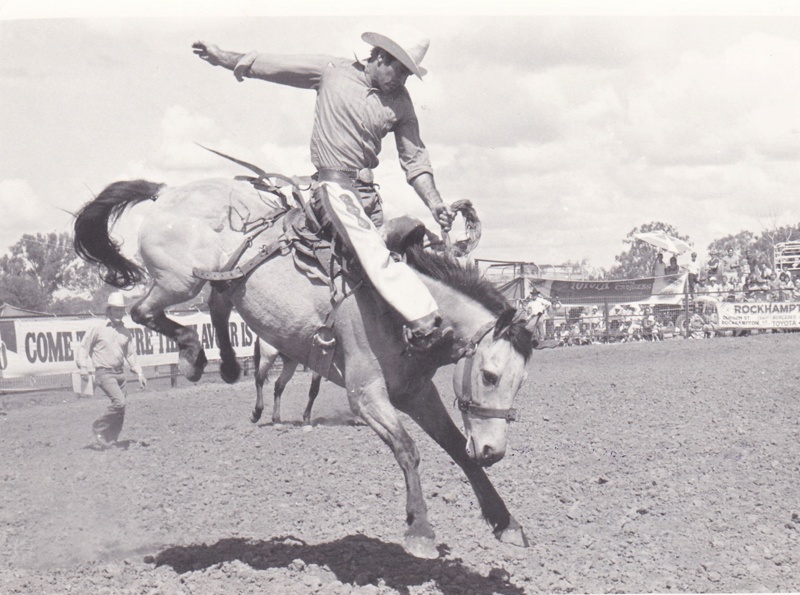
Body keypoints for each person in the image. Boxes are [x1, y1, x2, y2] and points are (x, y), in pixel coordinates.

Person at [191, 28, 456, 351]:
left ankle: (377, 345)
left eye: (408, 75)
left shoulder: (401, 102)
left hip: (368, 197)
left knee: (397, 247)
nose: (402, 80)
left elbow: (414, 159)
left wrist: (435, 204)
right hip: (333, 186)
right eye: (400, 71)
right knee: (370, 249)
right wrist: (223, 58)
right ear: (382, 57)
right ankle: (425, 321)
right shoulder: (332, 71)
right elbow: (271, 64)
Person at [76, 292, 146, 449]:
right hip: (104, 372)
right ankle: (99, 427)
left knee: (122, 408)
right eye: (116, 310)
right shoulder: (97, 329)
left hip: (120, 373)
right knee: (120, 402)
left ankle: (110, 439)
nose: (119, 313)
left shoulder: (125, 332)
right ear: (108, 311)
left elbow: (130, 355)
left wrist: (140, 373)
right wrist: (83, 367)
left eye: (121, 310)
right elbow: (83, 348)